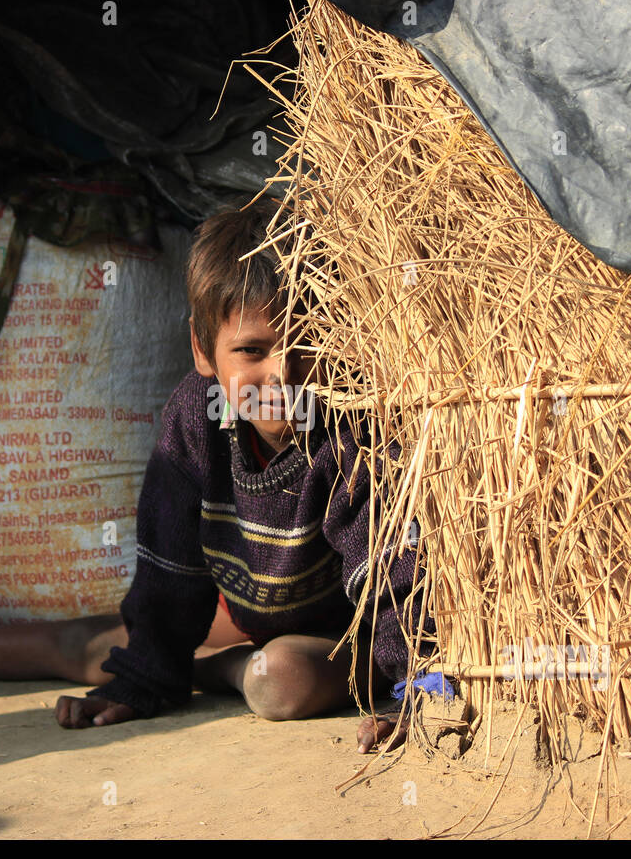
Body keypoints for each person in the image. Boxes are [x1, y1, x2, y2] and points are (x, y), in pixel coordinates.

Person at [54, 198, 429, 753]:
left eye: (307, 344)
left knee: (278, 678)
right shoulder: (196, 419)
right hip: (250, 613)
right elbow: (169, 567)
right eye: (252, 350)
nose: (282, 375)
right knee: (81, 648)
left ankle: (210, 670)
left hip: (347, 639)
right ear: (202, 350)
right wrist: (144, 679)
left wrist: (412, 692)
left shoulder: (351, 429)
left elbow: (394, 576)